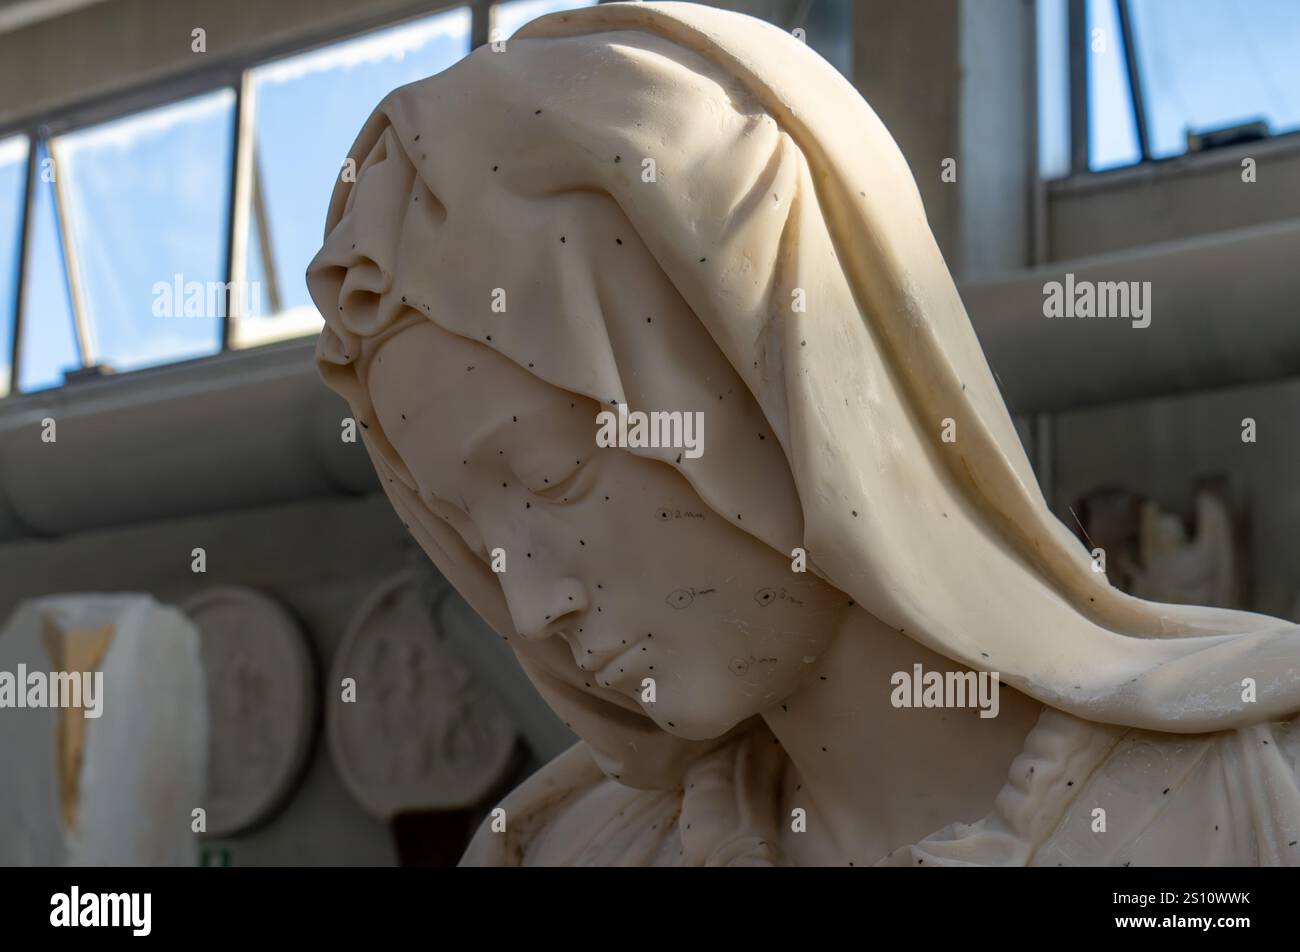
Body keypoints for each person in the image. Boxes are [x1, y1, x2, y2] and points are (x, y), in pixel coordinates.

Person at [307, 1, 1300, 865]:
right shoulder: (558, 850)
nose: (527, 602)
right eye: (469, 531)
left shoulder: (1256, 804)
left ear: (777, 381)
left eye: (552, 473)